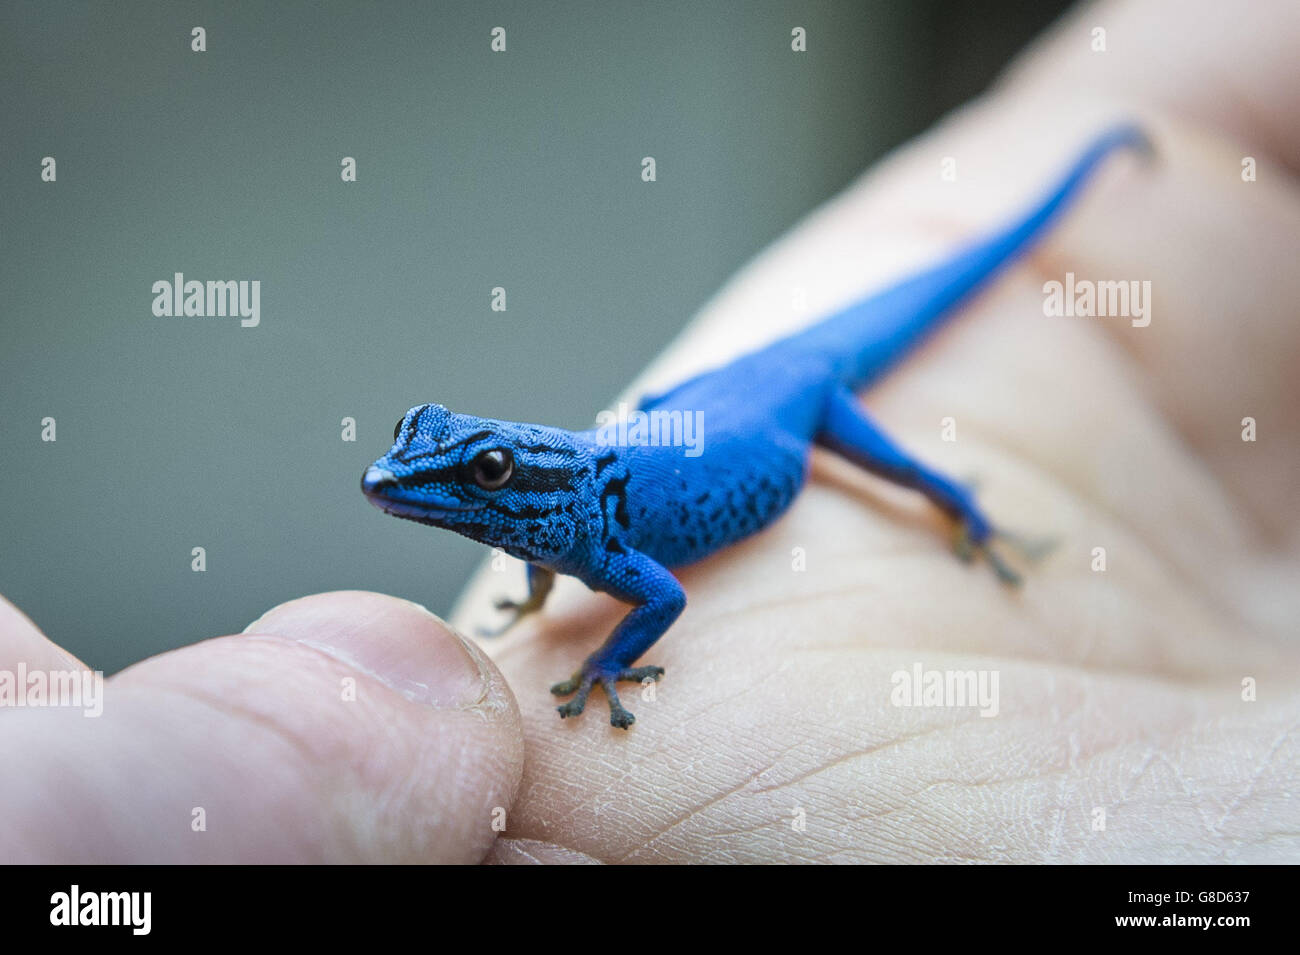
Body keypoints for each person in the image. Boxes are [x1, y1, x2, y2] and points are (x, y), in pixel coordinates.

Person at [3, 0, 1296, 862]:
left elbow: (662, 595)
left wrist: (609, 662)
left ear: (528, 482)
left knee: (906, 434)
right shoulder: (551, 511)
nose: (411, 482)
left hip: (788, 407)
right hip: (719, 404)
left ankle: (961, 510)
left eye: (481, 469)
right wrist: (530, 569)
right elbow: (527, 522)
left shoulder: (599, 540)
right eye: (448, 461)